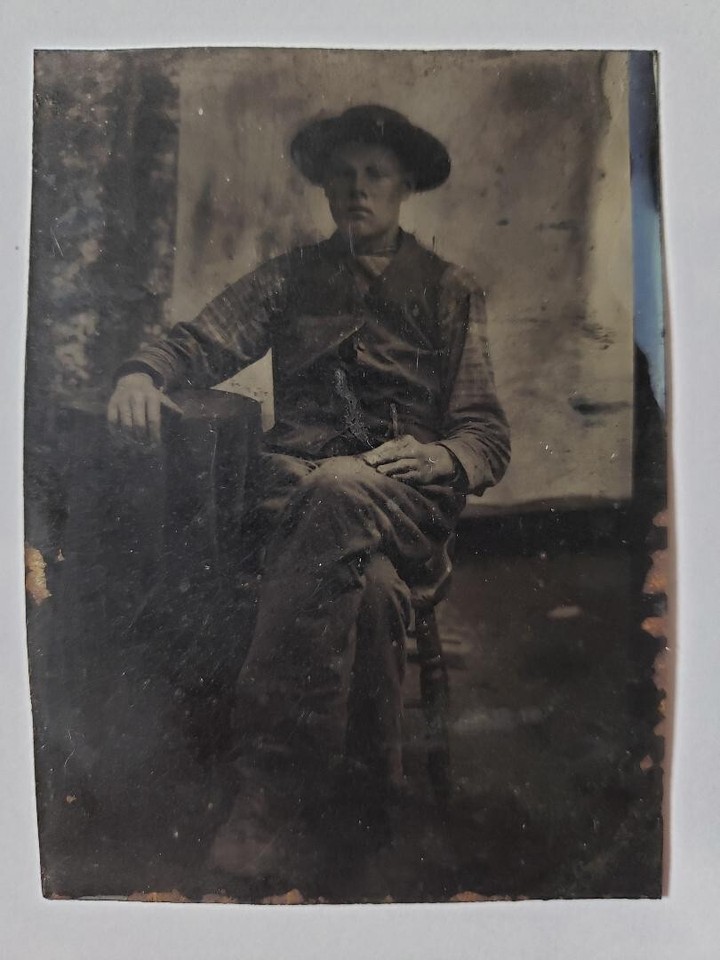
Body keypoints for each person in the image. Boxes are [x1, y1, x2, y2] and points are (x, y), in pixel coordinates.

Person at [107, 104, 511, 885]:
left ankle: (267, 793)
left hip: (403, 509)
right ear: (326, 189)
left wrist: (441, 456)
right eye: (343, 176)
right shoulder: (290, 279)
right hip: (295, 508)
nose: (357, 190)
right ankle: (364, 802)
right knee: (370, 596)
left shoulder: (450, 290)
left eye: (376, 175)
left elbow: (485, 436)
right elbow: (200, 338)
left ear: (404, 188)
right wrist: (141, 371)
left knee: (342, 489)